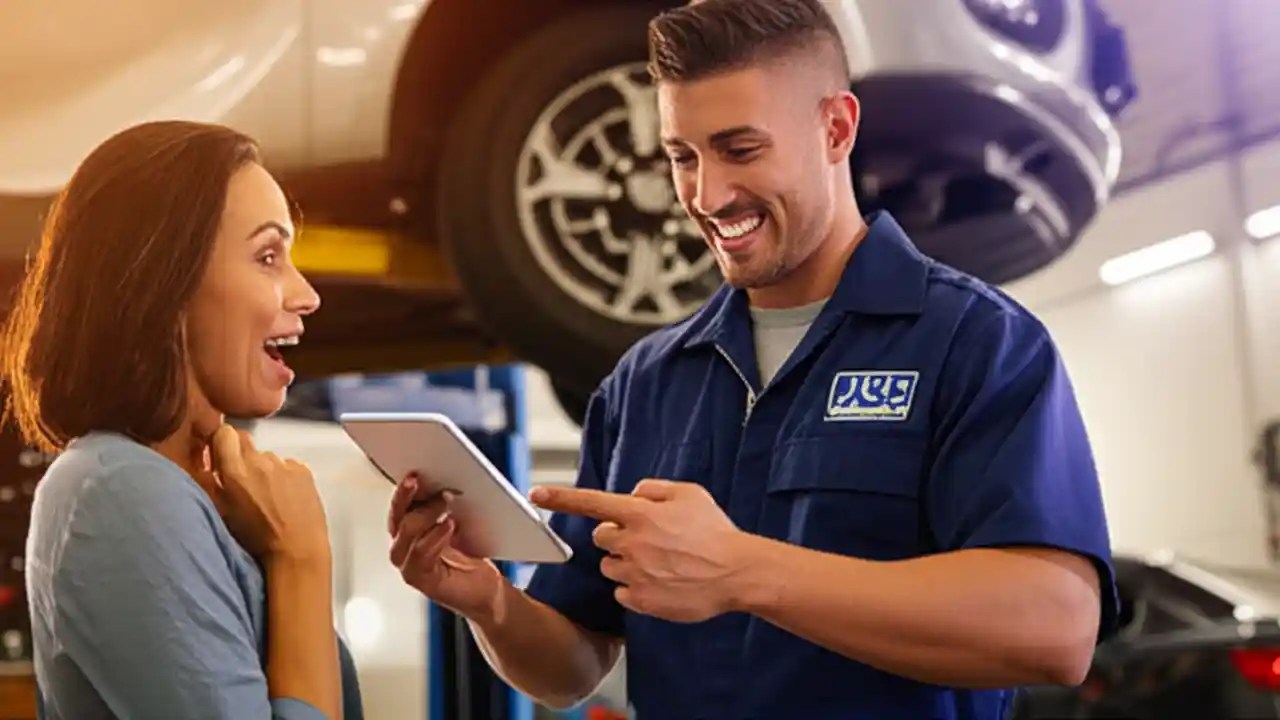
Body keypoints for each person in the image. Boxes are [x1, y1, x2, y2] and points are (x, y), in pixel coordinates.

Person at [386, 0, 1117, 717]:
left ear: (836, 127)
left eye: (741, 150)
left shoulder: (975, 342)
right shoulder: (646, 384)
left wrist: (743, 572)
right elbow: (574, 667)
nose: (707, 195)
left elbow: (1054, 630)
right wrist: (486, 602)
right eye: (681, 156)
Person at [0, 121, 360, 719]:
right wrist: (303, 560)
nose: (306, 294)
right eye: (268, 256)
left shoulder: (183, 493)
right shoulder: (120, 490)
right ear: (165, 280)